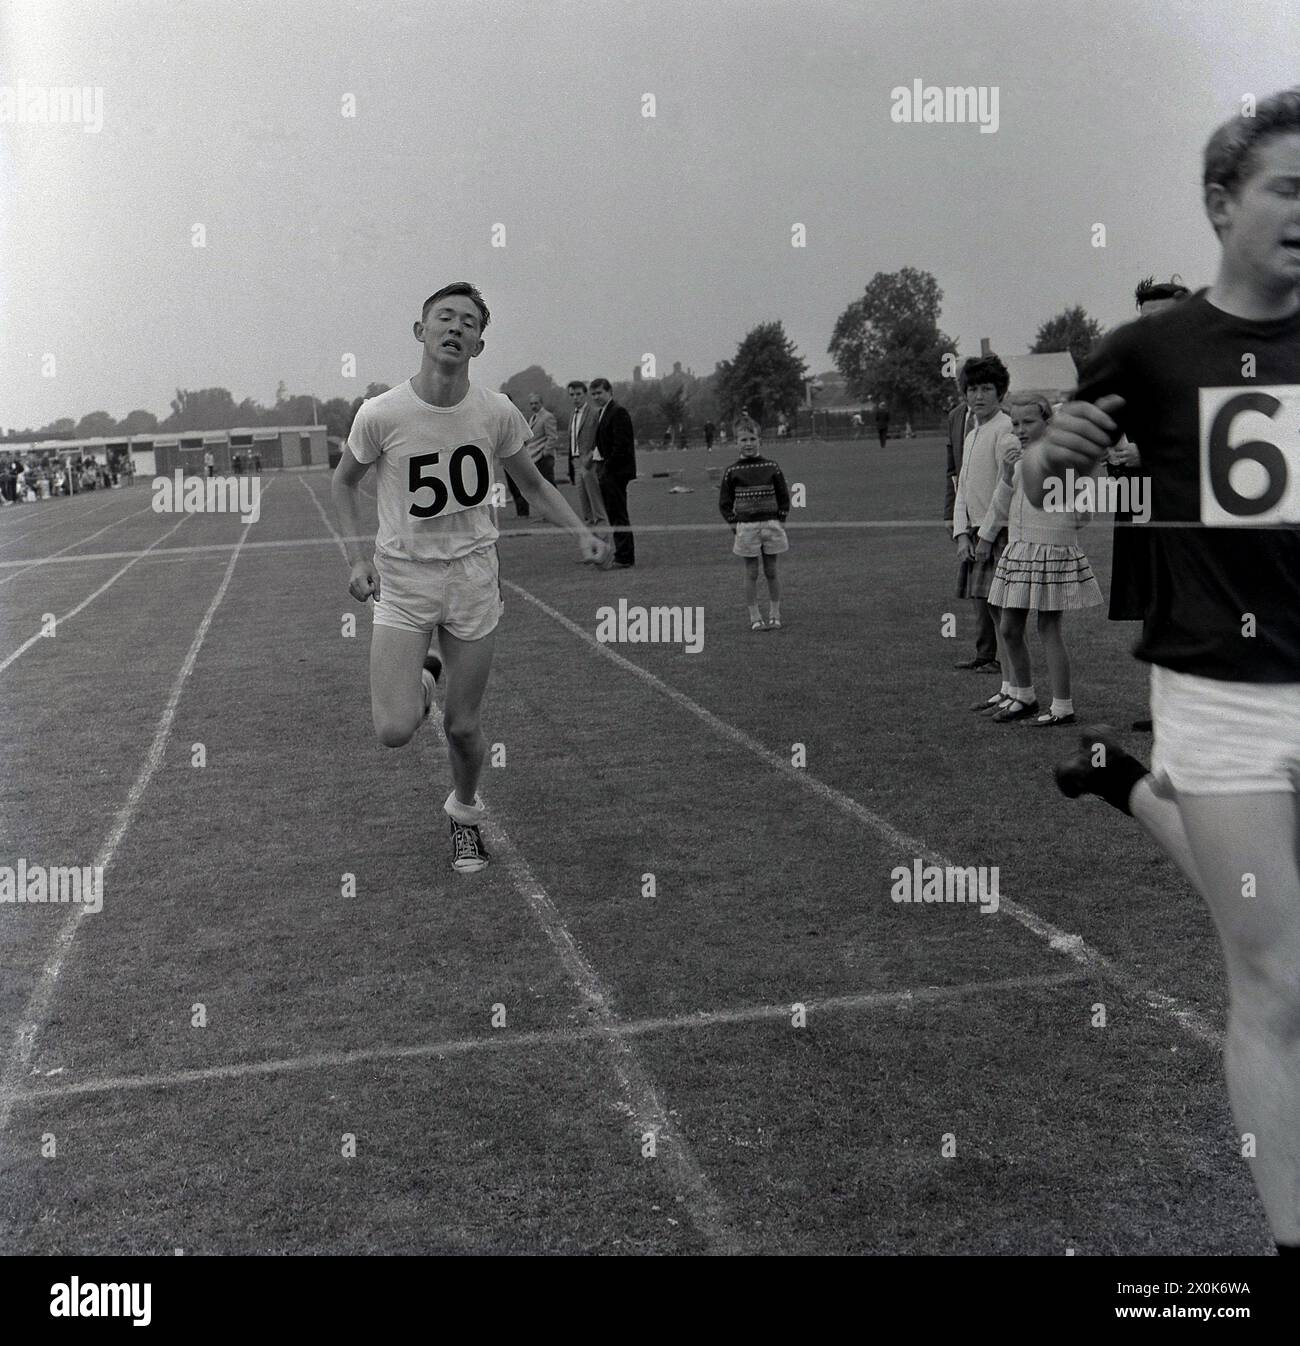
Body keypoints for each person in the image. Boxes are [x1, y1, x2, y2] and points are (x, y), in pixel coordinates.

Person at [1028, 87, 1300, 1255]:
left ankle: (1129, 785)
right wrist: (1053, 450)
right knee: (1278, 979)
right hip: (1225, 698)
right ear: (1219, 202)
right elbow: (1044, 481)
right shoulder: (1147, 347)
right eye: (1287, 187)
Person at [331, 281, 609, 873]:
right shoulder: (381, 414)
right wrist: (358, 558)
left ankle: (463, 813)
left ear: (479, 343)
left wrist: (580, 529)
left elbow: (532, 483)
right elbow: (344, 481)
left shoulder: (495, 411)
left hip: (473, 581)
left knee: (463, 727)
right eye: (444, 318)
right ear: (421, 332)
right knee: (394, 729)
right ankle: (423, 679)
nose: (455, 328)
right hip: (404, 585)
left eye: (468, 322)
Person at [976, 393, 1102, 724]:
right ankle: (1023, 695)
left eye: (1029, 422)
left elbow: (1082, 515)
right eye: (1015, 423)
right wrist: (986, 536)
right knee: (1008, 626)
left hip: (1050, 551)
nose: (1020, 429)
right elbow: (1001, 505)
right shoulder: (1016, 461)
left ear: (1048, 422)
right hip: (1018, 551)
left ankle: (1062, 707)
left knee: (1048, 626)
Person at [1108, 276, 1193, 731]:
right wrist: (1116, 457)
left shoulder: (1207, 368)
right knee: (1153, 603)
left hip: (1189, 512)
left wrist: (1149, 452)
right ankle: (1165, 709)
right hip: (1139, 503)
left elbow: (1212, 446)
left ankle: (1199, 709)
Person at [952, 355, 1017, 675]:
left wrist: (988, 535)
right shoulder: (972, 434)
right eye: (972, 389)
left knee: (1003, 606)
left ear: (1000, 392)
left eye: (987, 389)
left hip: (999, 530)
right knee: (985, 602)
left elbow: (1005, 489)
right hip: (977, 530)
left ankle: (1010, 672)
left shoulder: (1005, 429)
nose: (978, 396)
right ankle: (991, 660)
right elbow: (962, 487)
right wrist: (962, 533)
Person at [719, 416, 790, 630]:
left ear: (760, 440)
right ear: (736, 443)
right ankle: (754, 617)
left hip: (771, 525)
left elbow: (784, 496)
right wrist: (736, 526)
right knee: (751, 572)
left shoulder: (772, 466)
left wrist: (780, 520)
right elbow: (724, 503)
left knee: (771, 570)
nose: (748, 444)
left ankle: (775, 614)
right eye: (743, 440)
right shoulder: (732, 471)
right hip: (746, 528)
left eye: (752, 439)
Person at [590, 377, 637, 568]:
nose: (596, 397)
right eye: (593, 394)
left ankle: (625, 557)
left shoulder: (618, 412)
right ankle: (621, 554)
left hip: (616, 472)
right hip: (608, 471)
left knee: (619, 514)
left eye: (599, 392)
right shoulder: (603, 412)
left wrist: (607, 467)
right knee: (614, 513)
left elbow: (621, 445)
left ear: (610, 392)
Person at [566, 380, 610, 559]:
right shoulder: (573, 415)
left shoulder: (594, 413)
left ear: (585, 395)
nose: (575, 398)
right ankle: (592, 549)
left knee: (597, 509)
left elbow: (600, 440)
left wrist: (589, 459)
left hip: (590, 465)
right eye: (572, 395)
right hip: (577, 465)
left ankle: (604, 547)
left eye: (578, 394)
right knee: (586, 512)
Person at [525, 393, 559, 489]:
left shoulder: (548, 416)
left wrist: (546, 452)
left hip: (544, 458)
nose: (534, 406)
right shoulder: (532, 418)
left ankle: (556, 504)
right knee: (541, 486)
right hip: (535, 456)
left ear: (541, 403)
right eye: (531, 404)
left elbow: (553, 436)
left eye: (536, 403)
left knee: (549, 484)